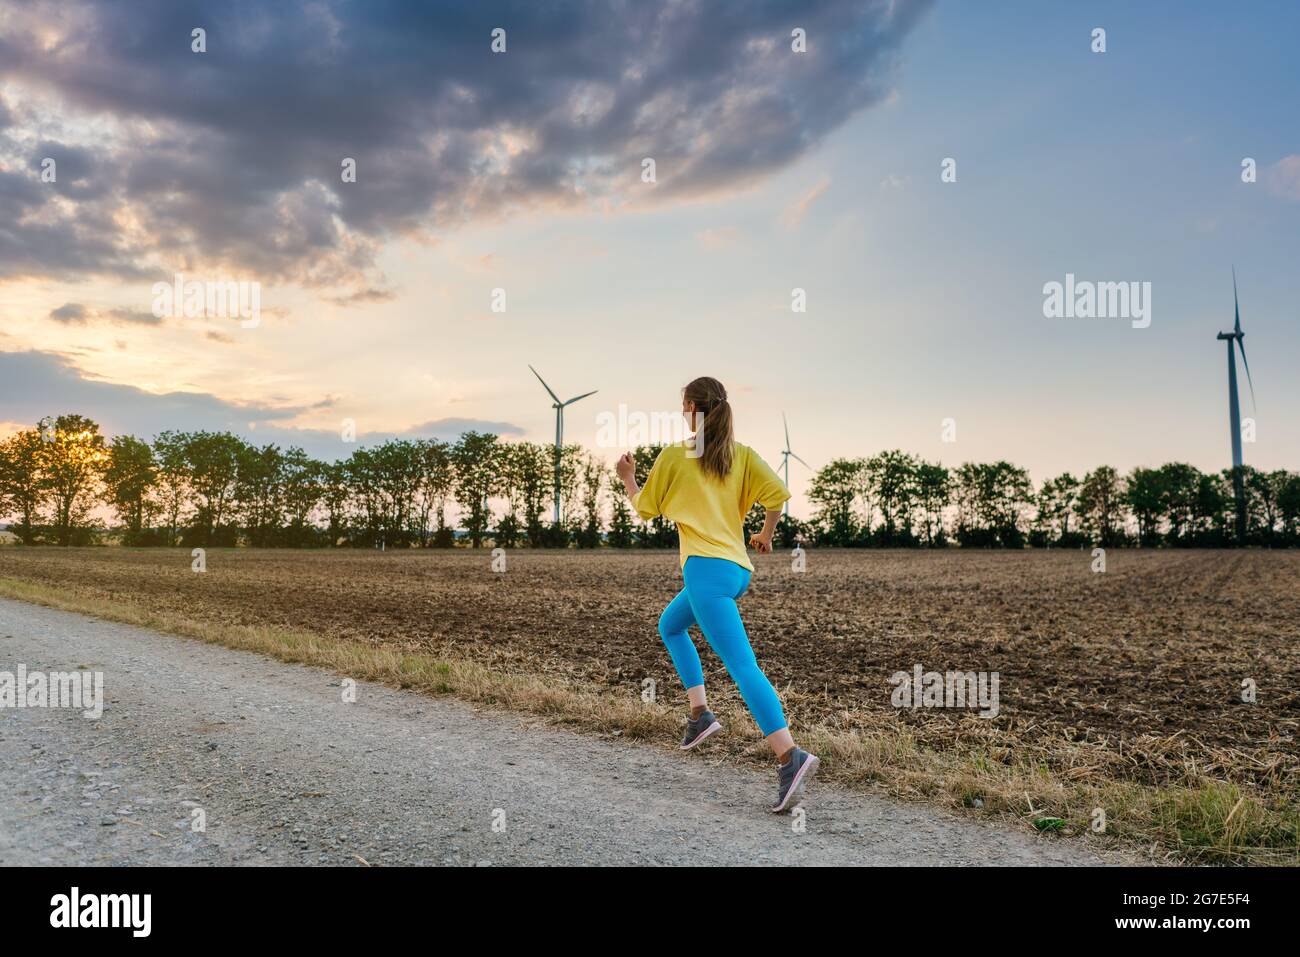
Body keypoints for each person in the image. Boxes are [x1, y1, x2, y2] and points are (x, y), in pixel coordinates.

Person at [615, 376, 819, 813]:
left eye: (682, 405)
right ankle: (700, 715)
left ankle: (789, 756)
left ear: (691, 408)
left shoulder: (676, 455)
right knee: (670, 626)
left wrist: (629, 478)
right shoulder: (740, 454)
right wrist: (764, 534)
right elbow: (777, 497)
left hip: (705, 572)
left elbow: (645, 508)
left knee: (743, 667)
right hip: (734, 570)